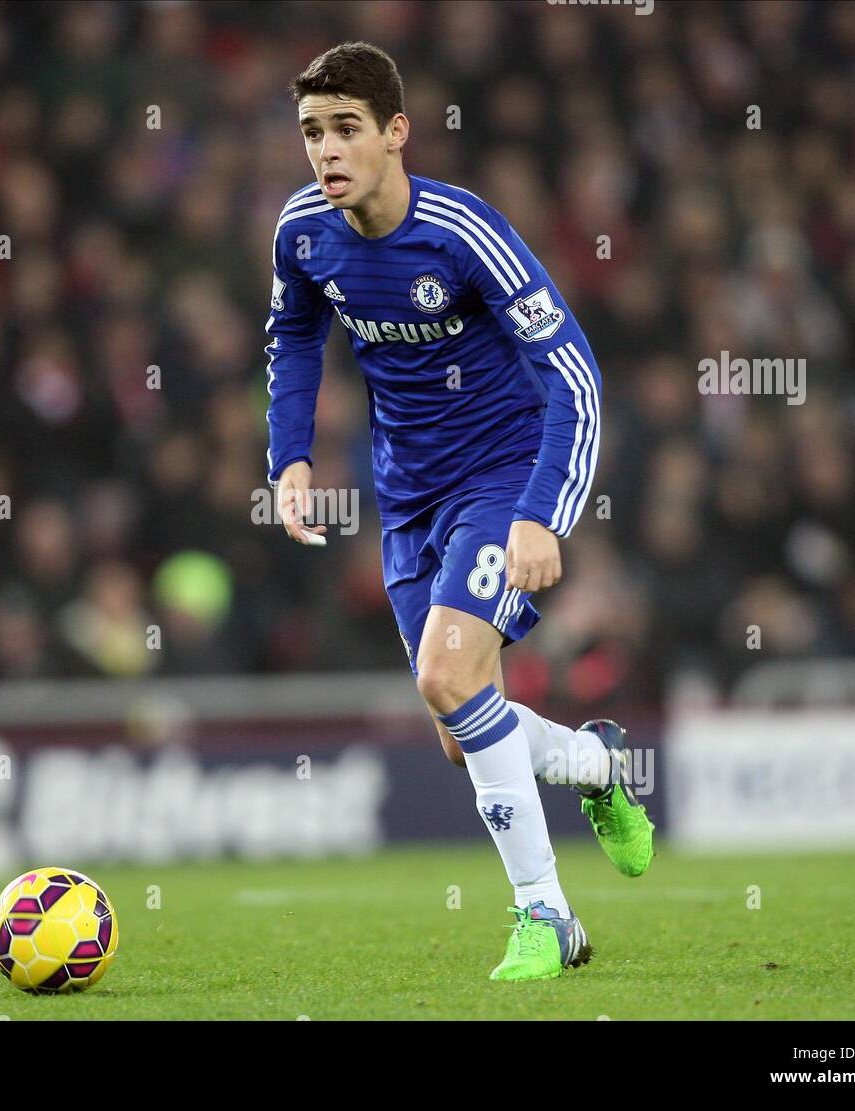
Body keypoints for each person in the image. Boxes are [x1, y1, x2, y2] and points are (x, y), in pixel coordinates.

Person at [265, 42, 654, 982]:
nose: (327, 150)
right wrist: (290, 459)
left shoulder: (461, 232)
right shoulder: (302, 232)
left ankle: (546, 916)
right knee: (457, 727)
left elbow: (574, 373)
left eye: (347, 129)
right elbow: (294, 335)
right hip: (408, 499)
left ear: (396, 133)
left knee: (445, 677)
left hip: (503, 476)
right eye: (313, 132)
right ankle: (601, 767)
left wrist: (541, 513)